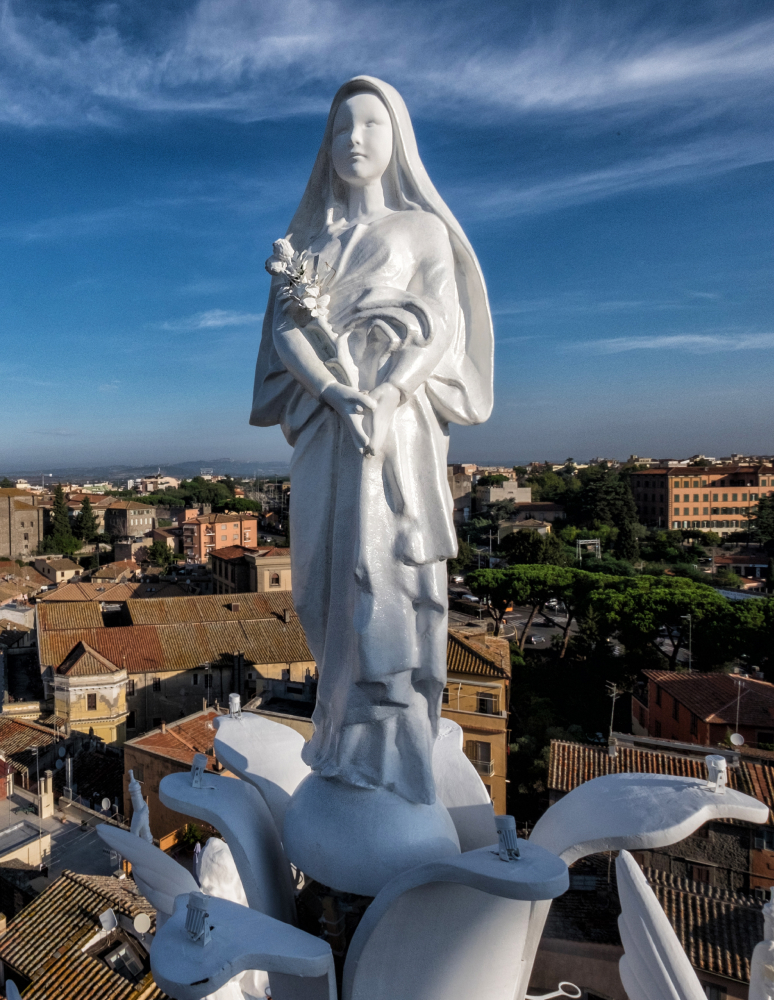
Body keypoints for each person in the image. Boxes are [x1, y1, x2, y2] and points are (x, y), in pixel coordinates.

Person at [250, 76, 493, 806]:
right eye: (340, 128)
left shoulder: (422, 232)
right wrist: (335, 392)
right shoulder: (306, 246)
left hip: (396, 430)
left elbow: (441, 325)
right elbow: (288, 332)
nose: (353, 140)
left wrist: (387, 394)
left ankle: (394, 749)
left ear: (398, 143)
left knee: (384, 574)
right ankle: (340, 733)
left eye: (370, 126)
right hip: (328, 428)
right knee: (319, 583)